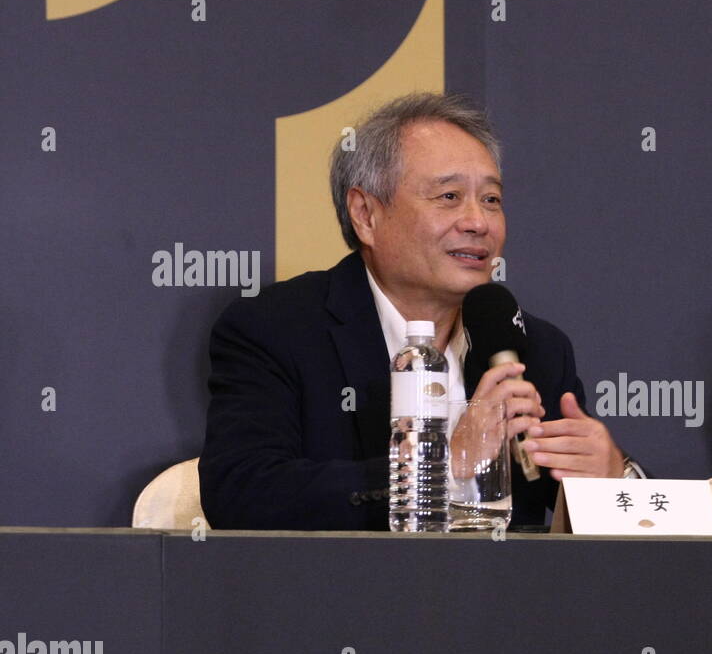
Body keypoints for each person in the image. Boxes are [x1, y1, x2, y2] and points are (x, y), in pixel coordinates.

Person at [200, 92, 644, 530]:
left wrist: (610, 478)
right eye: (449, 196)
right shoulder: (278, 328)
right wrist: (444, 466)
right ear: (366, 215)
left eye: (491, 199)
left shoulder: (534, 347)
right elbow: (242, 492)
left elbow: (617, 528)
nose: (478, 222)